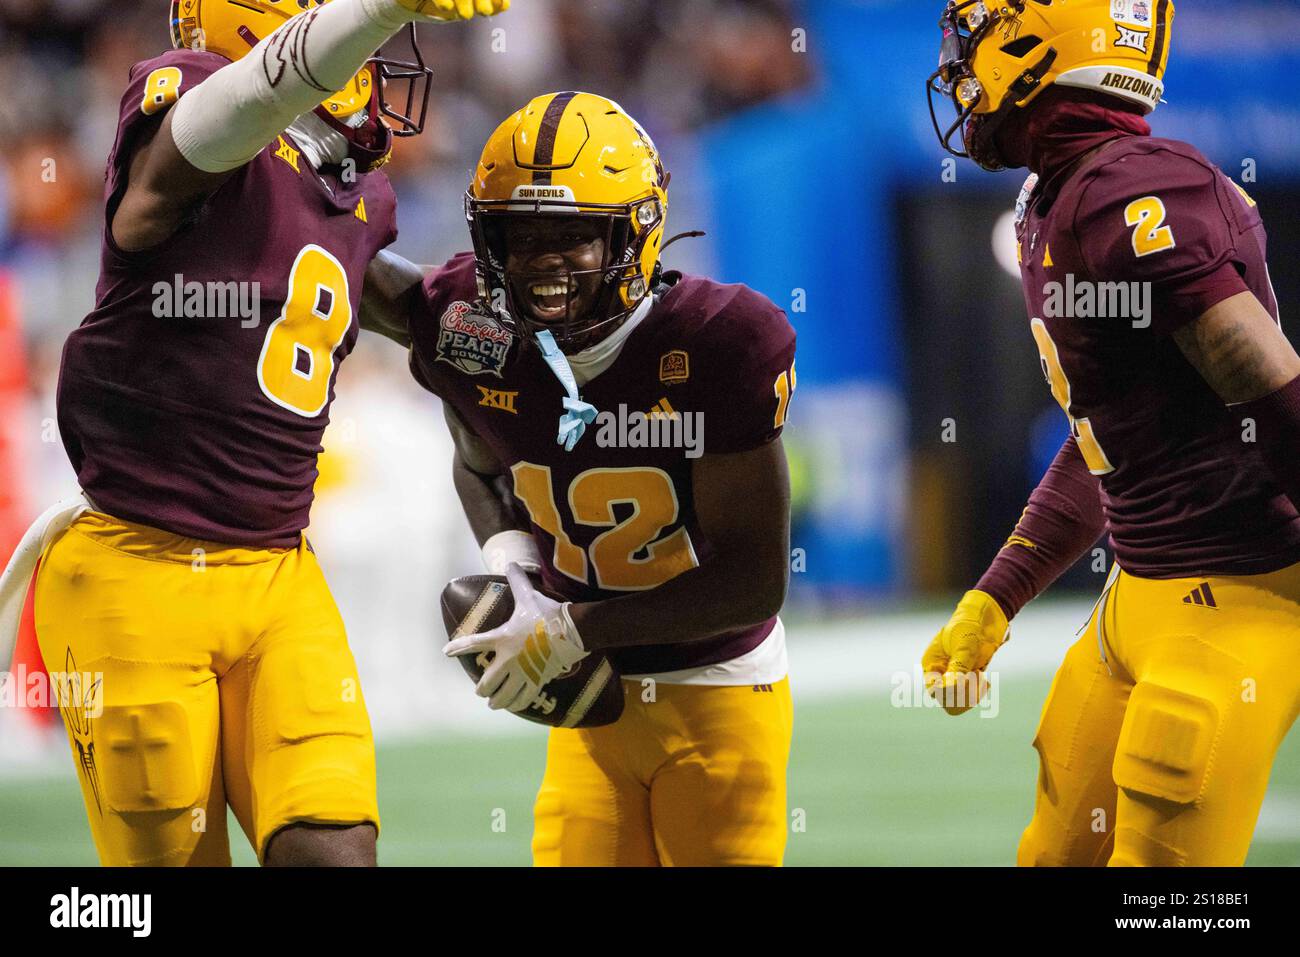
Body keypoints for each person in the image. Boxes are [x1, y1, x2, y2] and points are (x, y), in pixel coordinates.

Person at [0, 0, 511, 867]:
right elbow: (222, 125)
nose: (379, 63)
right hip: (135, 570)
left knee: (335, 848)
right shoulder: (193, 108)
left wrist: (506, 328)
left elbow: (357, 285)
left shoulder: (353, 188)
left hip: (277, 568)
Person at [923, 0, 1300, 865]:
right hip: (1138, 594)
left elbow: (1271, 387)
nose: (959, 69)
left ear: (1035, 48)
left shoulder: (1130, 190)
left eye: (973, 42)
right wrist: (999, 592)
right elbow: (1118, 434)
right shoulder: (1060, 194)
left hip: (1231, 602)